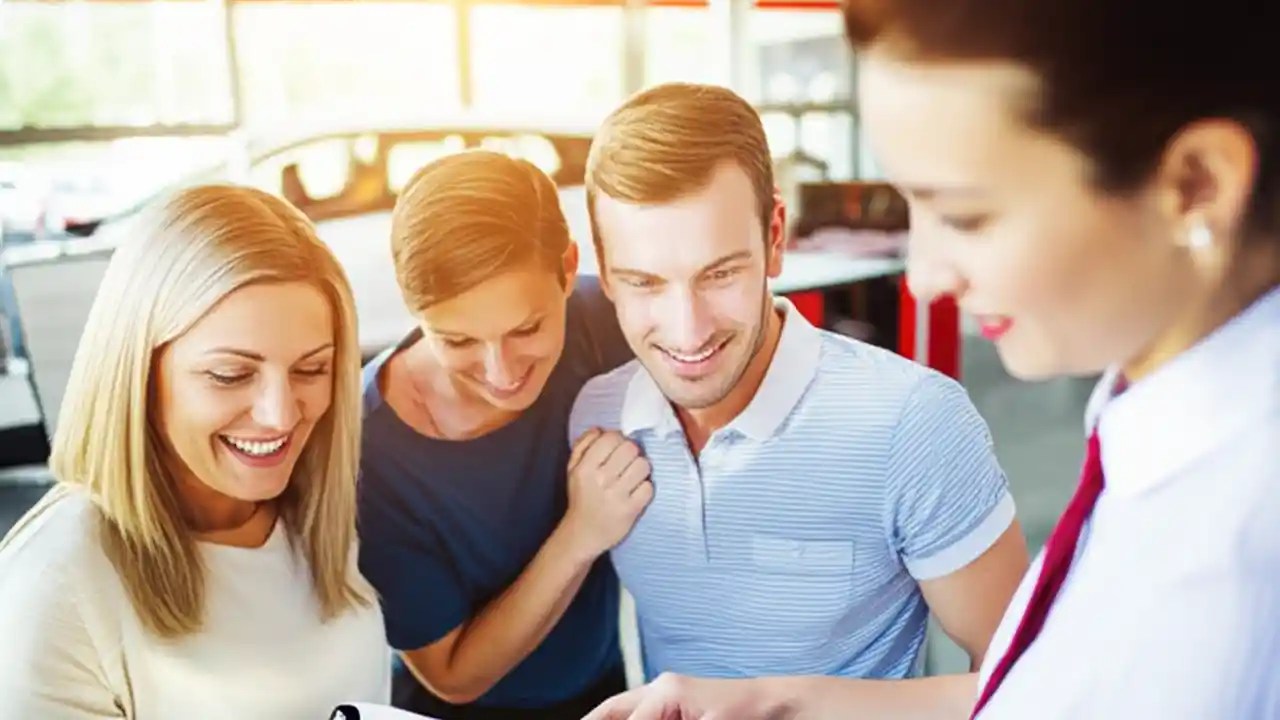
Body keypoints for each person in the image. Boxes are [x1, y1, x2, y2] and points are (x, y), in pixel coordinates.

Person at [586, 2, 1280, 718]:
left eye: (965, 215)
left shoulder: (1243, 558)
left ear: (1197, 185)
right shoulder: (1150, 439)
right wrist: (772, 700)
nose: (922, 276)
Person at [571, 81, 1029, 716]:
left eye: (720, 273)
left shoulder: (914, 423)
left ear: (776, 236)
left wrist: (777, 701)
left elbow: (1036, 686)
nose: (688, 330)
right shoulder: (597, 418)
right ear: (603, 265)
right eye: (644, 282)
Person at [0, 185, 390, 718]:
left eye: (310, 369)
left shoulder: (323, 509)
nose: (281, 414)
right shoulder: (57, 586)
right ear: (138, 372)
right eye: (230, 374)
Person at [356, 150, 645, 720]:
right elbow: (453, 676)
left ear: (567, 268)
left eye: (527, 328)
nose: (501, 371)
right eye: (458, 341)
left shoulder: (601, 322)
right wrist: (583, 531)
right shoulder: (371, 451)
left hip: (603, 689)